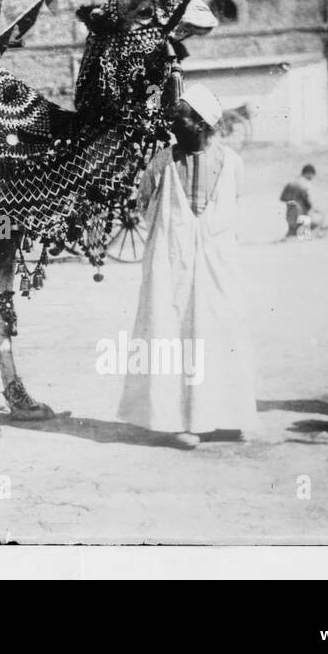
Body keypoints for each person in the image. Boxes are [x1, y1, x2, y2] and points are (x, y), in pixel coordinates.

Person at [119, 83, 257, 448]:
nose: (172, 122)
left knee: (220, 334)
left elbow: (233, 202)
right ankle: (175, 422)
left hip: (218, 266)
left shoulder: (233, 163)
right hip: (170, 264)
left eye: (180, 117)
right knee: (172, 333)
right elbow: (145, 203)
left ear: (201, 123)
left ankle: (226, 417)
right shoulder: (162, 162)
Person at [279, 164, 328, 238]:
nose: (312, 178)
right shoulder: (305, 184)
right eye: (312, 176)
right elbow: (308, 202)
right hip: (302, 217)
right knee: (323, 222)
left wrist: (293, 201)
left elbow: (282, 198)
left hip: (290, 216)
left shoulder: (290, 183)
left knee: (291, 236)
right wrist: (315, 211)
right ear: (309, 173)